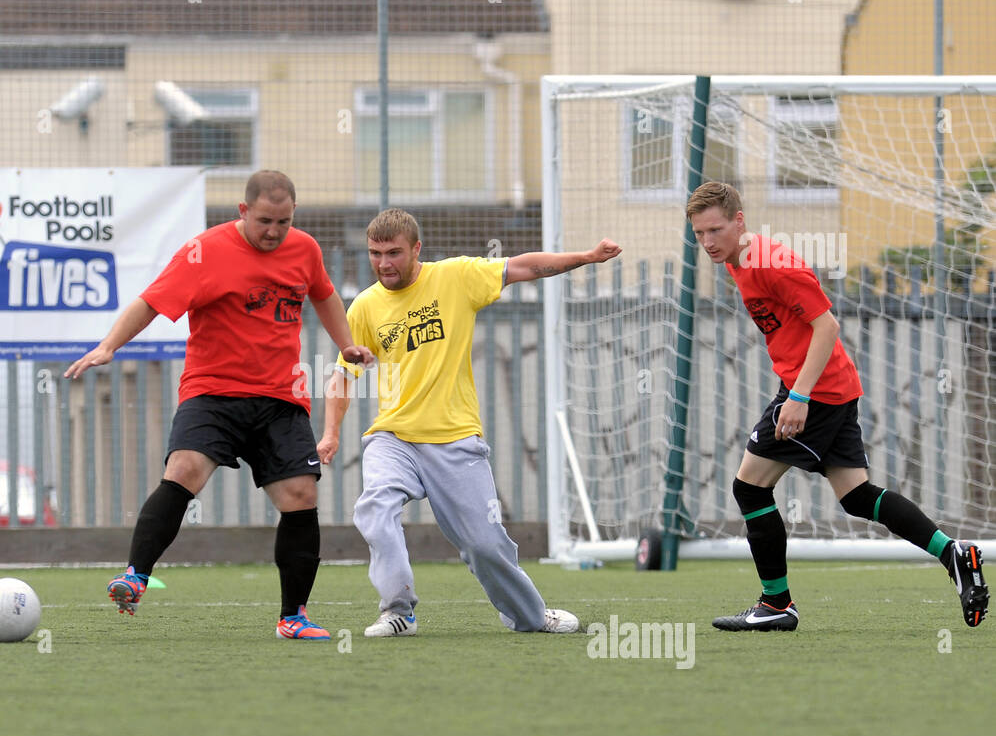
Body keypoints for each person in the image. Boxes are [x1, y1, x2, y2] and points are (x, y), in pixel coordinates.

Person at [64, 171, 373, 639]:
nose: (274, 232)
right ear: (243, 212)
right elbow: (150, 302)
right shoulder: (203, 251)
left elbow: (325, 296)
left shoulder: (305, 249)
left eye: (284, 222)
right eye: (265, 221)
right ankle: (135, 575)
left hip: (278, 397)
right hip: (213, 391)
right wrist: (110, 345)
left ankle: (293, 618)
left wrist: (346, 344)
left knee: (301, 496)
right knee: (185, 469)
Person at [686, 181, 988, 631]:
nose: (708, 242)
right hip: (832, 388)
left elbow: (826, 326)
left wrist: (799, 397)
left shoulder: (772, 263)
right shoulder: (736, 261)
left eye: (715, 230)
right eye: (699, 234)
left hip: (817, 393)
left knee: (749, 488)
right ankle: (955, 553)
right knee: (857, 497)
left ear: (740, 221)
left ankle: (775, 605)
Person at [316, 207, 621, 636]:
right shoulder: (364, 307)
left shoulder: (456, 277)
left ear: (417, 249)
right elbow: (342, 376)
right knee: (374, 512)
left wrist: (586, 258)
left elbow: (525, 266)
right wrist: (330, 433)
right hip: (393, 438)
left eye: (394, 253)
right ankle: (398, 610)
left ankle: (530, 615)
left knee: (485, 546)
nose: (383, 263)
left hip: (456, 440)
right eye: (374, 254)